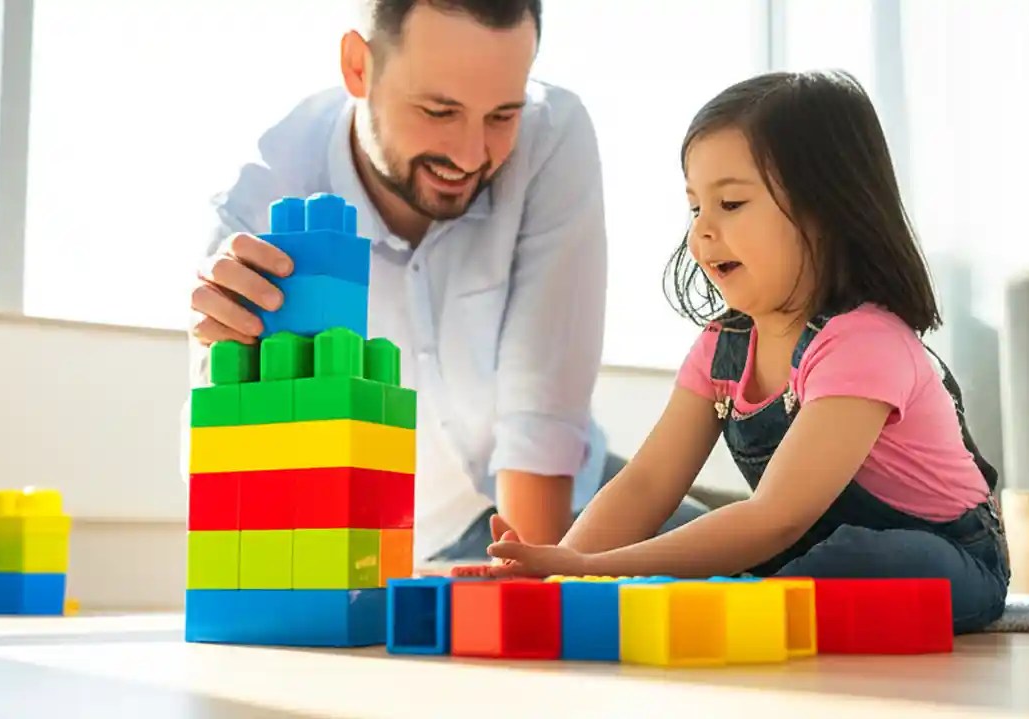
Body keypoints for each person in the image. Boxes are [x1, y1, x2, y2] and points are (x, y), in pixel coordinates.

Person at [485, 70, 1012, 634]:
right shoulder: (723, 346)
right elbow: (648, 482)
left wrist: (598, 569)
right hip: (800, 548)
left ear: (826, 210)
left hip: (948, 558)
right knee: (692, 541)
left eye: (731, 203)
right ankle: (748, 600)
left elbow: (774, 518)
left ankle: (742, 602)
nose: (702, 232)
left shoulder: (865, 342)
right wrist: (565, 574)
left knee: (862, 561)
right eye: (694, 208)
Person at [187, 0, 707, 563]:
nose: (470, 155)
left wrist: (529, 591)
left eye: (502, 116)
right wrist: (223, 353)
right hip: (391, 541)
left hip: (564, 505)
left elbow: (541, 413)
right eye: (439, 111)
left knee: (760, 568)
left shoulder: (551, 135)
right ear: (359, 68)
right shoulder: (264, 205)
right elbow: (240, 469)